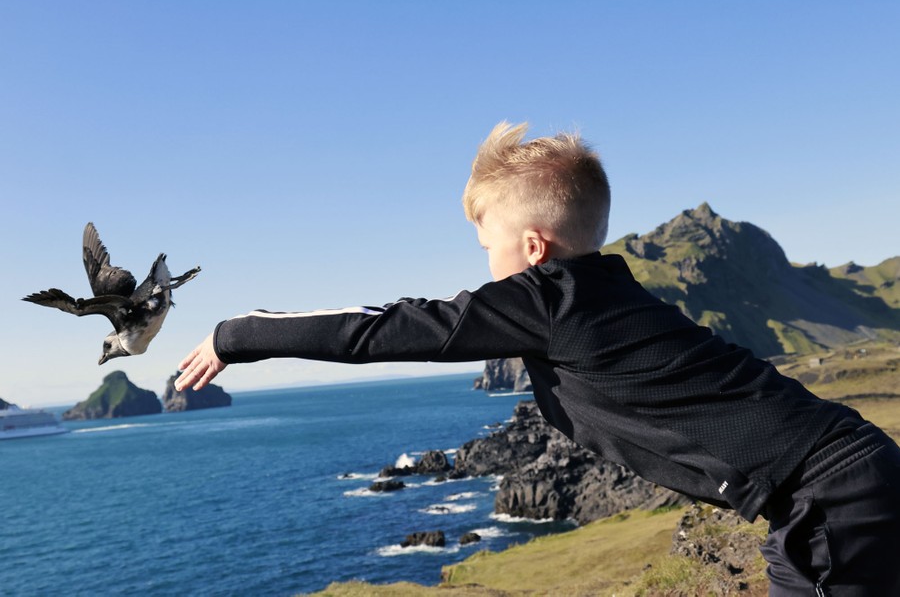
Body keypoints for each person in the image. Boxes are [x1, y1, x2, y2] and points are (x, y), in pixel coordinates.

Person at [176, 122, 900, 595]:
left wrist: (236, 335)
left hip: (826, 500)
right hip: (837, 483)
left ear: (531, 248)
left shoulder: (548, 297)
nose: (486, 270)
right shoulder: (607, 292)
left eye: (486, 247)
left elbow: (382, 329)